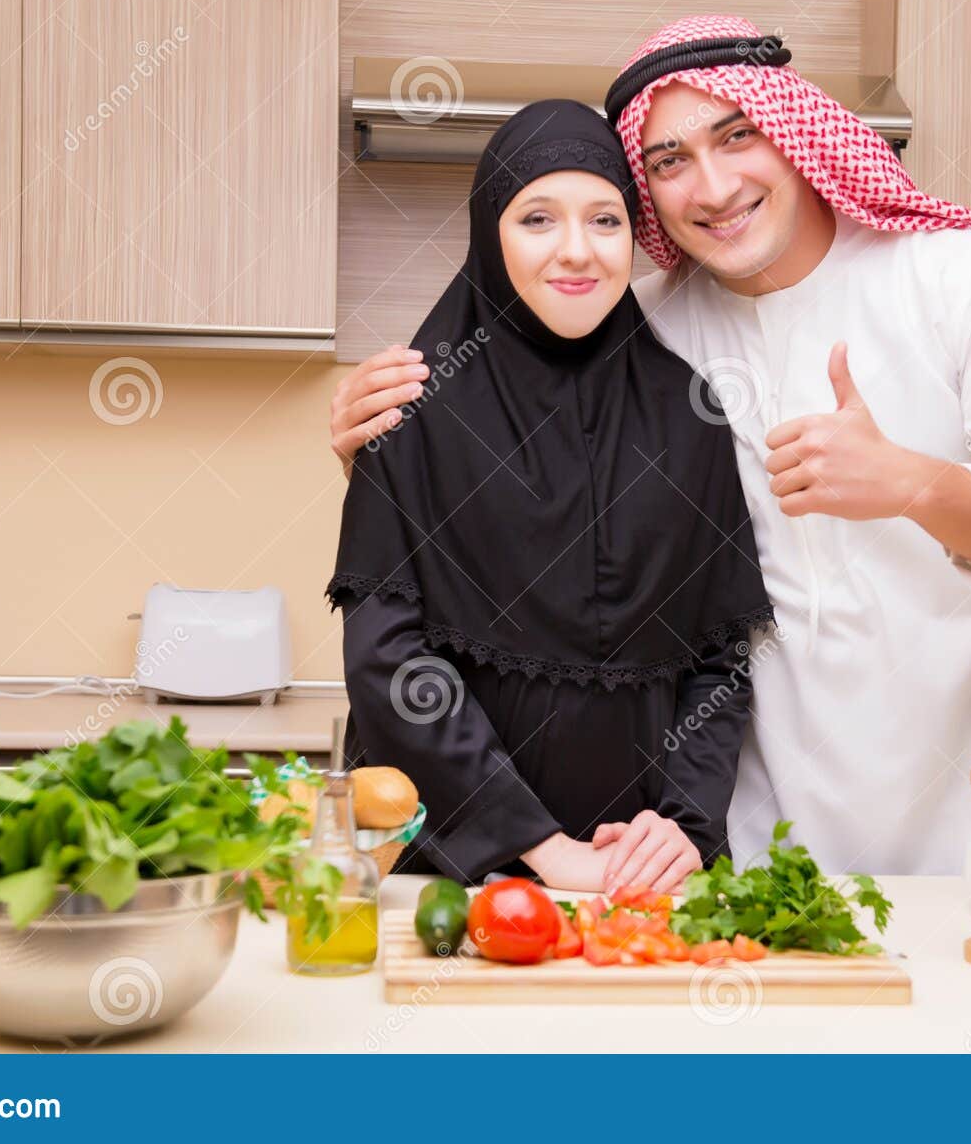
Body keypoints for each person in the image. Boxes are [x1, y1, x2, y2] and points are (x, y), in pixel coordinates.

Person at [331, 17, 971, 876]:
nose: (712, 187)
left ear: (794, 132)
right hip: (752, 849)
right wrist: (385, 468)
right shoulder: (654, 335)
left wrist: (909, 483)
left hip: (970, 827)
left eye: (737, 135)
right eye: (670, 161)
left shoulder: (963, 279)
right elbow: (538, 553)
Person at [330, 99, 774, 894]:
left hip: (641, 880)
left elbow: (722, 658)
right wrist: (543, 846)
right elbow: (388, 660)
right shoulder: (408, 407)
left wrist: (682, 826)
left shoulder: (693, 412)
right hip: (446, 875)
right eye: (538, 219)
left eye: (606, 221)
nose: (578, 252)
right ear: (489, 235)